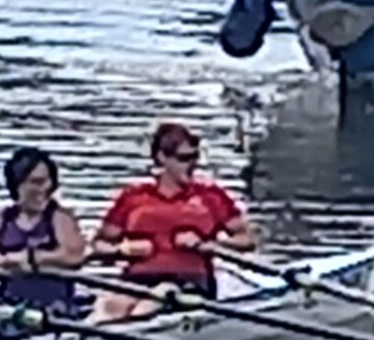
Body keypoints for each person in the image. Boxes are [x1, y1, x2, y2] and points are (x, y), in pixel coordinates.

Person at [92, 122, 256, 313]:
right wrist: (122, 250)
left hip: (189, 282)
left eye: (195, 157)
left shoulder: (211, 196)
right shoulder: (133, 198)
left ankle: (130, 331)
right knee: (110, 307)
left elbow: (247, 239)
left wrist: (208, 246)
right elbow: (98, 245)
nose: (192, 165)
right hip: (137, 280)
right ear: (162, 158)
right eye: (184, 158)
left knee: (152, 302)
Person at [0, 146, 90, 323]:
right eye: (35, 183)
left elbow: (74, 256)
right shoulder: (2, 219)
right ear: (18, 184)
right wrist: (6, 261)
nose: (44, 190)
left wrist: (32, 259)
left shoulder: (59, 217)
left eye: (47, 182)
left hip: (53, 307)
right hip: (10, 304)